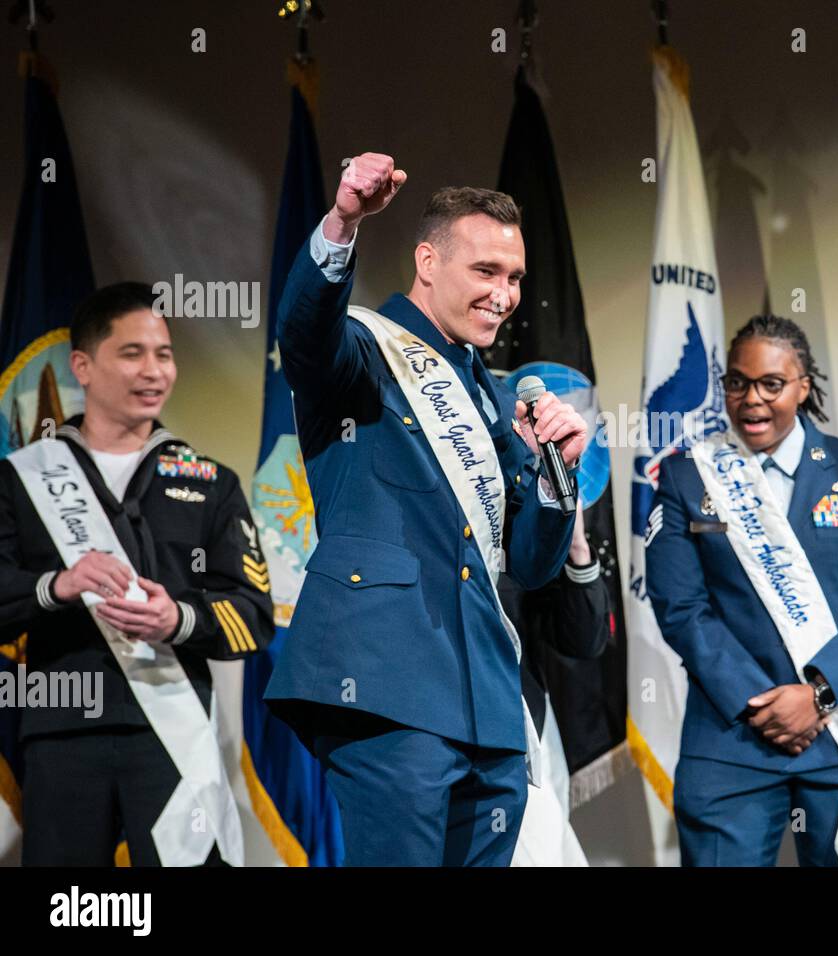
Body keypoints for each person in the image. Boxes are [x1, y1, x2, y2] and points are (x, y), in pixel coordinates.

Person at [264, 153, 587, 866]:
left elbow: (529, 565)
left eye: (514, 278)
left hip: (489, 706)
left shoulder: (500, 404)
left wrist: (558, 471)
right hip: (387, 688)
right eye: (485, 272)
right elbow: (304, 335)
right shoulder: (364, 351)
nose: (505, 295)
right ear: (427, 261)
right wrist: (345, 220)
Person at [0, 282, 274, 866]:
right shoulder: (20, 480)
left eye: (165, 353)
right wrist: (55, 587)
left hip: (175, 739)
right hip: (60, 733)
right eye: (132, 353)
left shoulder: (210, 482)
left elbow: (255, 618)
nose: (154, 370)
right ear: (83, 366)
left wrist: (180, 618)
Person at [645, 314, 838, 866]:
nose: (752, 400)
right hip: (731, 744)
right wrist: (765, 706)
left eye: (772, 384)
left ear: (803, 386)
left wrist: (817, 695)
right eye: (738, 383)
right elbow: (681, 608)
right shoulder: (686, 477)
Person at [499, 502, 611, 865]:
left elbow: (583, 640)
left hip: (530, 734)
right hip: (432, 735)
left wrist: (576, 545)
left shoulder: (515, 498)